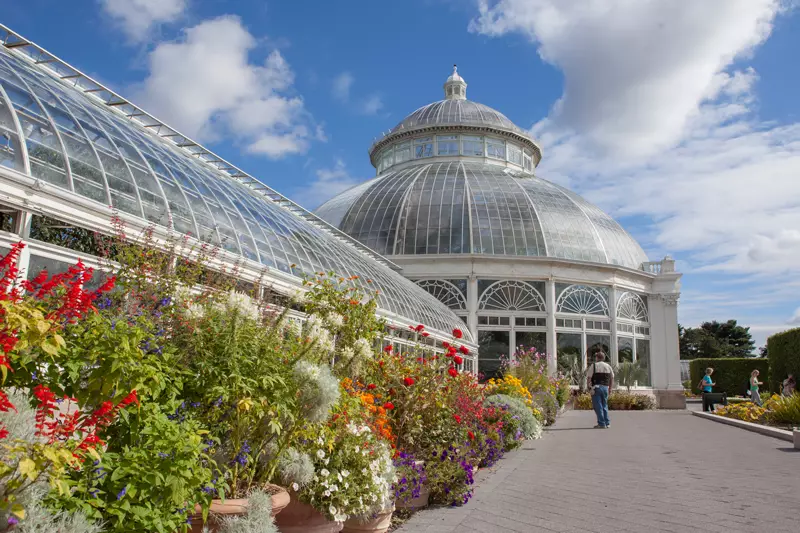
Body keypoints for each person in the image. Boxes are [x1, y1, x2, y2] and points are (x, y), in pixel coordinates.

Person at [586, 351, 614, 429]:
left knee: (598, 406)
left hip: (596, 388)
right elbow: (612, 378)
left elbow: (589, 378)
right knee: (604, 405)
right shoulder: (608, 366)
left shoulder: (594, 366)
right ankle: (607, 422)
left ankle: (601, 423)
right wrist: (610, 388)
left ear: (597, 358)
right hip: (605, 388)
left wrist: (589, 387)